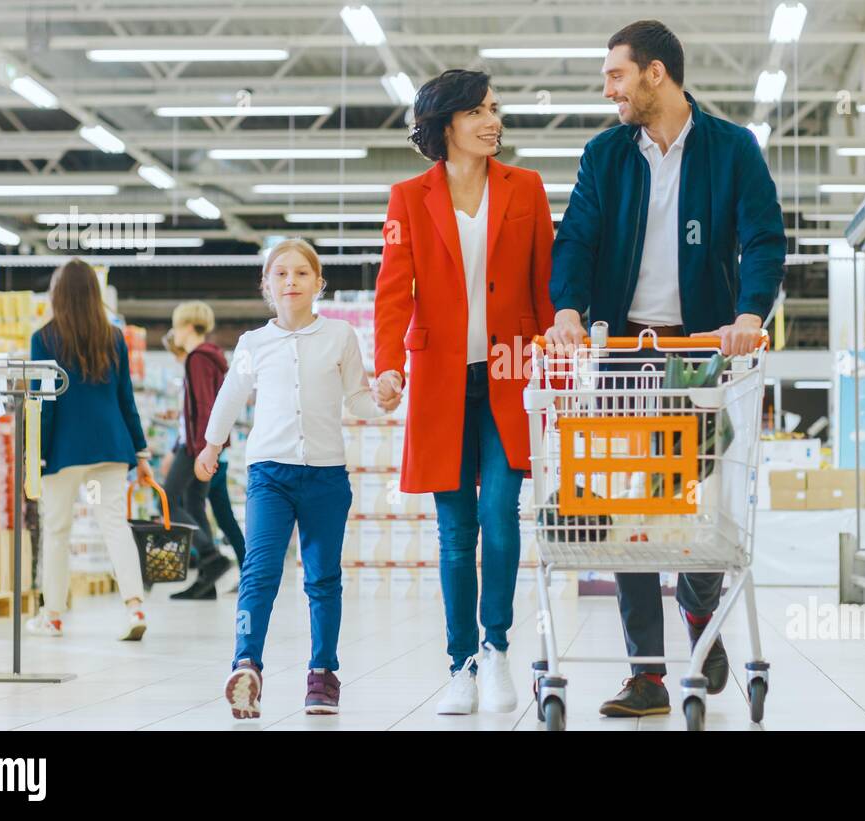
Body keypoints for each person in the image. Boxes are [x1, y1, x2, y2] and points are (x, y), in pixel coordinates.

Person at [545, 20, 786, 717]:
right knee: (628, 509)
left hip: (701, 354)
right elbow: (578, 238)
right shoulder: (605, 155)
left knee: (706, 502)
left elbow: (764, 236)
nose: (608, 90)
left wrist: (749, 315)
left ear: (656, 73)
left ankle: (699, 611)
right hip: (626, 352)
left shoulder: (731, 149)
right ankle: (647, 673)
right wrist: (567, 309)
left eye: (616, 76)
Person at [373, 69, 555, 716]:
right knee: (455, 534)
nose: (493, 121)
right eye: (479, 111)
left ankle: (499, 645)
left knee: (499, 517)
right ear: (445, 123)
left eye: (495, 108)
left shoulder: (526, 188)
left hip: (511, 374)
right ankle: (461, 663)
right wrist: (388, 366)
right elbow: (395, 292)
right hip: (441, 382)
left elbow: (545, 283)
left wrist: (553, 352)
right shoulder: (409, 197)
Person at [196, 238, 388, 718]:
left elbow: (358, 400)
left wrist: (386, 396)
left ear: (318, 283)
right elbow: (230, 396)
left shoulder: (341, 337)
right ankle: (246, 667)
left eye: (301, 273)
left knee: (323, 578)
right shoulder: (253, 344)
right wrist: (211, 445)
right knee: (259, 572)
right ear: (266, 285)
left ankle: (322, 674)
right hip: (269, 476)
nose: (291, 281)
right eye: (280, 273)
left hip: (325, 475)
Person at [26, 258, 155, 641]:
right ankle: (134, 606)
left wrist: (38, 457)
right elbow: (125, 398)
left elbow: (45, 404)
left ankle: (53, 616)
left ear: (57, 294)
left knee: (58, 531)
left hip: (64, 456)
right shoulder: (113, 337)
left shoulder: (43, 338)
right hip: (108, 454)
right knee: (113, 524)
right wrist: (141, 453)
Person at [163, 301, 233, 600]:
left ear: (189, 327)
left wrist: (204, 448)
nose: (174, 334)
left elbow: (204, 406)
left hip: (197, 445)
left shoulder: (197, 358)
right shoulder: (211, 357)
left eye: (177, 327)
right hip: (201, 442)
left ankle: (210, 556)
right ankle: (206, 583)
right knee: (193, 504)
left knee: (167, 499)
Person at [163, 330, 246, 572]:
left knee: (182, 504)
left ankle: (212, 559)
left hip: (204, 453)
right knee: (212, 513)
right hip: (213, 452)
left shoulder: (196, 363)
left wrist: (198, 450)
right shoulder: (209, 363)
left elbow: (201, 412)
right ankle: (228, 569)